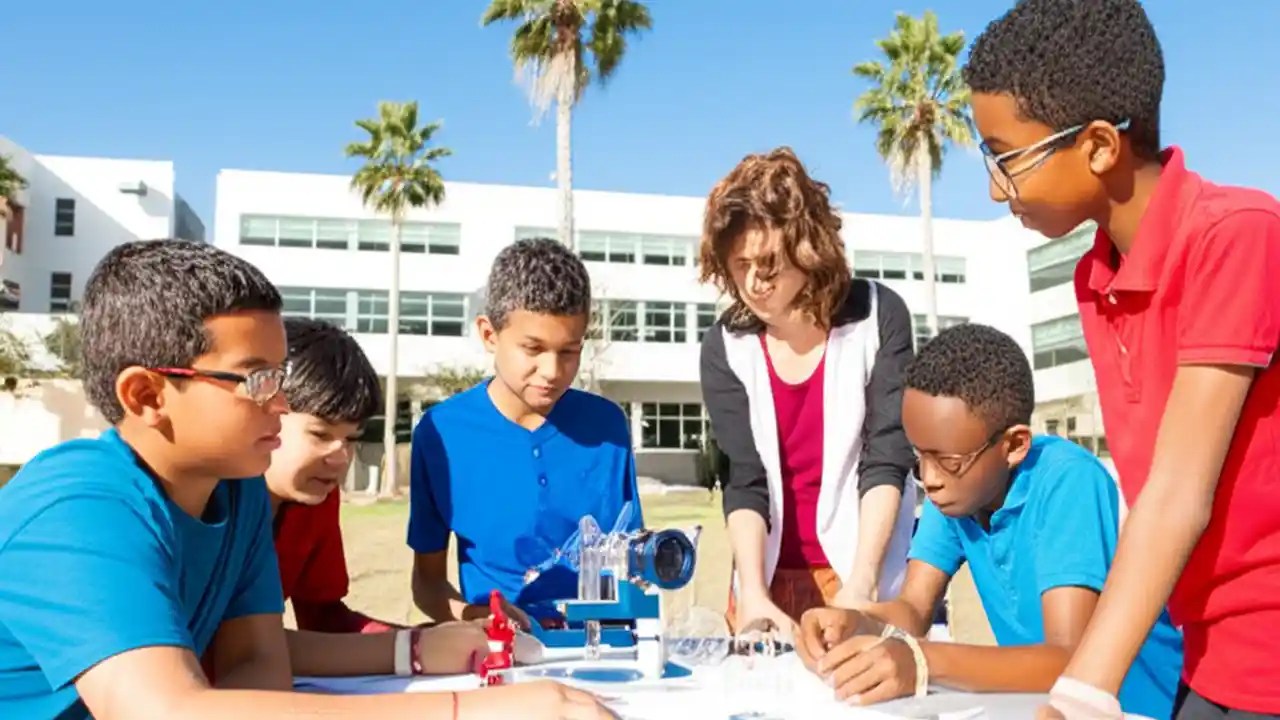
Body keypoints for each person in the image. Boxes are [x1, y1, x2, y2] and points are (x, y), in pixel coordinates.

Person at [0, 240, 616, 720]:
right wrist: (465, 708)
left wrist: (418, 651)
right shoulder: (75, 505)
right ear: (146, 394)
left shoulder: (235, 492)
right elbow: (167, 710)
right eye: (258, 379)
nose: (282, 402)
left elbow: (255, 665)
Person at [964, 1, 1280, 717]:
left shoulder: (1237, 236)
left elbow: (1175, 492)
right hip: (1206, 656)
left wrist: (1078, 692)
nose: (994, 188)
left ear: (1100, 145)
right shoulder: (1096, 276)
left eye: (1006, 158)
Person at [796, 324, 1182, 720]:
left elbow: (1069, 658)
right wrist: (858, 620)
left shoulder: (1068, 480)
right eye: (919, 457)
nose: (929, 478)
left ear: (1014, 445)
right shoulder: (958, 490)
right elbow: (913, 610)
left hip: (1140, 710)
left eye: (946, 461)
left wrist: (924, 661)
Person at [698, 147, 918, 636]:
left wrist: (860, 585)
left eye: (770, 262)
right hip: (767, 576)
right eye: (739, 265)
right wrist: (753, 594)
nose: (754, 282)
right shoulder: (725, 346)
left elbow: (886, 456)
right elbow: (744, 478)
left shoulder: (878, 316)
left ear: (807, 247)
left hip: (863, 572)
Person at [409, 237, 643, 629]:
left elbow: (632, 564)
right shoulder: (441, 434)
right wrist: (475, 616)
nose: (552, 371)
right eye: (533, 349)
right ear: (489, 334)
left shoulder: (607, 427)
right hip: (502, 657)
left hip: (604, 651)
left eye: (569, 351)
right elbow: (428, 582)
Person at [265, 316, 484, 678]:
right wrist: (410, 651)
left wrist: (431, 638)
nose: (341, 457)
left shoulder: (315, 498)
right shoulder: (209, 501)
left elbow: (323, 618)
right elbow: (235, 646)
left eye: (351, 439)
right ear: (265, 413)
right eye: (320, 434)